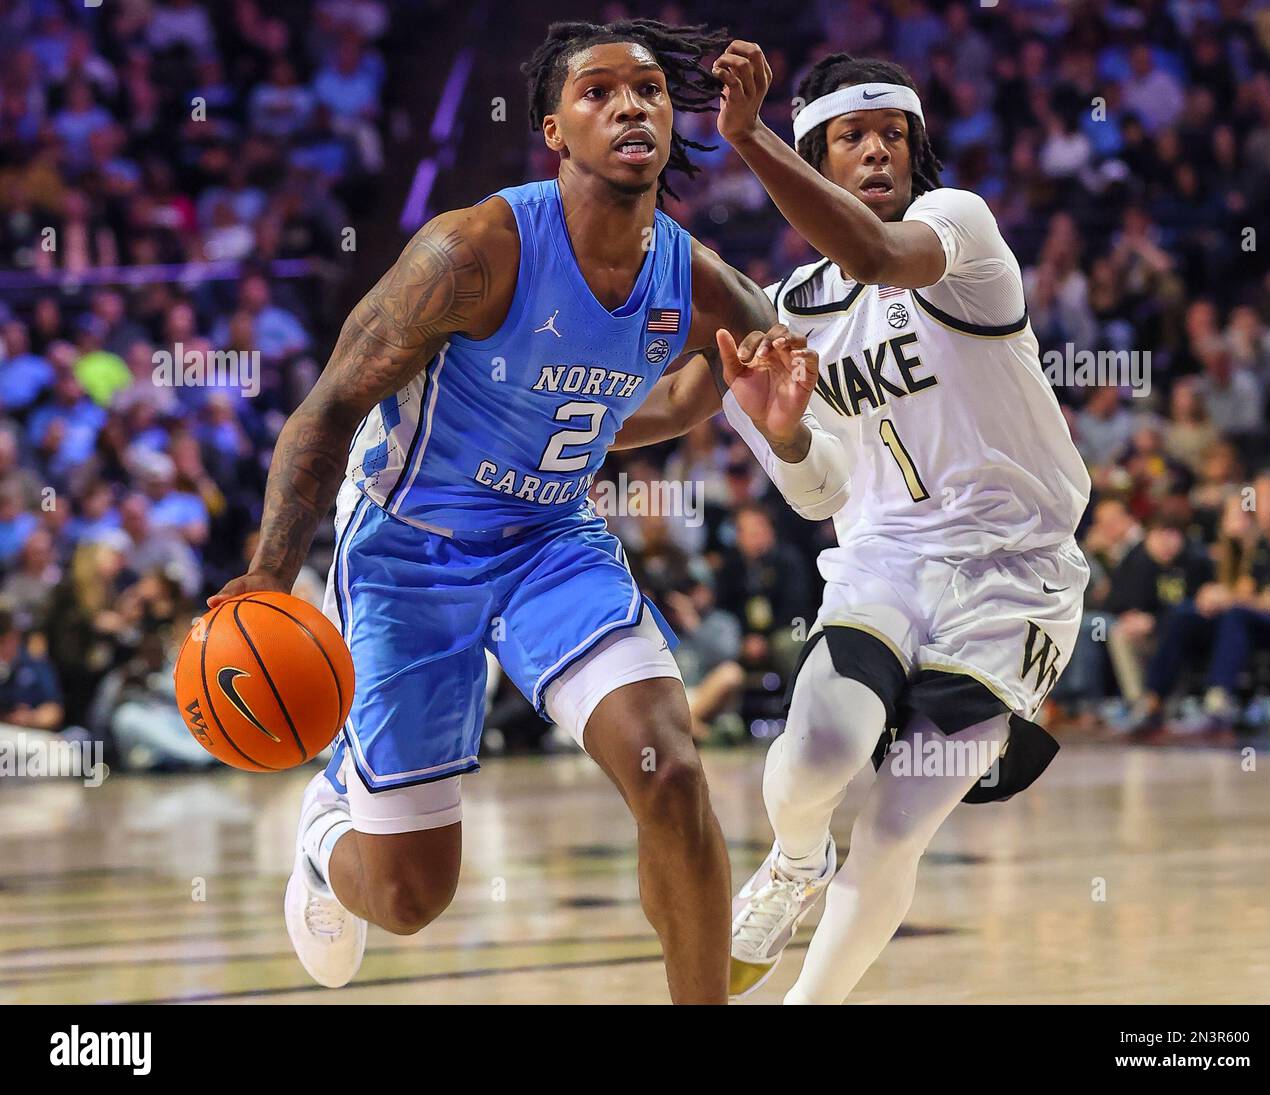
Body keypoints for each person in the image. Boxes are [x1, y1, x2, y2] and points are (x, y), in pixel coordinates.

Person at [209, 19, 849, 1005]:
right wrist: (266, 573)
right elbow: (330, 404)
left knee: (671, 773)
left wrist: (742, 400)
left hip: (551, 543)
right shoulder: (472, 251)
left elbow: (641, 407)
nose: (630, 104)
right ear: (552, 130)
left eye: (648, 90)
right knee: (411, 896)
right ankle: (326, 836)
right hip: (410, 552)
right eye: (599, 92)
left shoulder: (697, 285)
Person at [689, 43, 1090, 1002]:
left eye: (892, 135)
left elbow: (873, 255)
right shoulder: (790, 314)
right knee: (818, 757)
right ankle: (792, 861)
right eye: (850, 136)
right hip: (885, 558)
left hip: (1016, 575)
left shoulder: (955, 230)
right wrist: (783, 437)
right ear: (816, 156)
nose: (877, 153)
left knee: (901, 822)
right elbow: (823, 494)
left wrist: (742, 138)